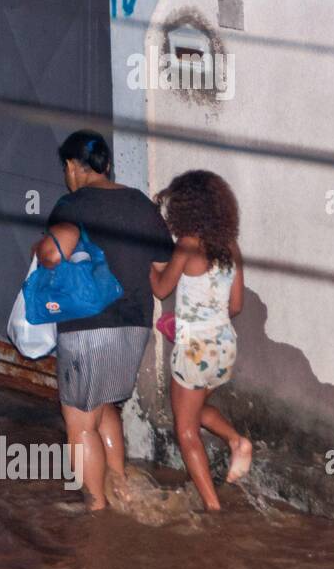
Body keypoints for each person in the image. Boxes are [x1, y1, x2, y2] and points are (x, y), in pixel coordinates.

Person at [32, 130, 175, 510]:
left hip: (87, 330)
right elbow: (163, 270)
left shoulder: (71, 206)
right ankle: (120, 483)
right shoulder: (141, 205)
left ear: (70, 167)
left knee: (80, 425)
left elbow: (51, 253)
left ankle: (95, 509)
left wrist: (44, 253)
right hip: (134, 327)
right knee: (106, 404)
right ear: (106, 165)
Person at [150, 170, 253, 510]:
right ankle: (236, 441)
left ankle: (212, 507)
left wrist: (151, 261)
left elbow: (161, 288)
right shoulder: (230, 247)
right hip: (224, 345)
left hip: (195, 350)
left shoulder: (186, 245)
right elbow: (236, 306)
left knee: (185, 430)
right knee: (191, 412)